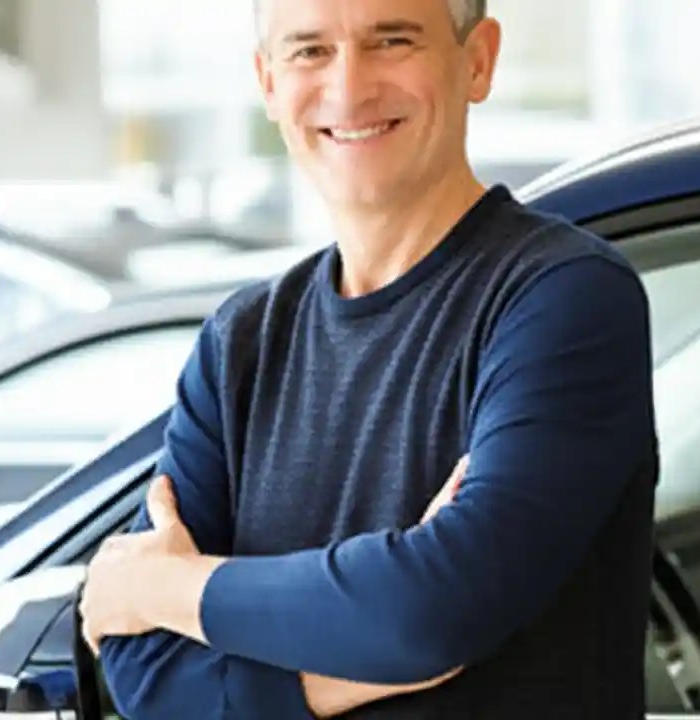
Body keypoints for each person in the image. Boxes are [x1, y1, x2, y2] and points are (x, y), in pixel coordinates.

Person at [80, 0, 658, 717]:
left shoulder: (561, 297)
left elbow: (435, 608)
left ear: (476, 60)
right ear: (267, 82)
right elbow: (143, 672)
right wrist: (366, 660)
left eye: (392, 40)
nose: (349, 88)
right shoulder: (242, 343)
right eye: (309, 51)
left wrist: (166, 588)